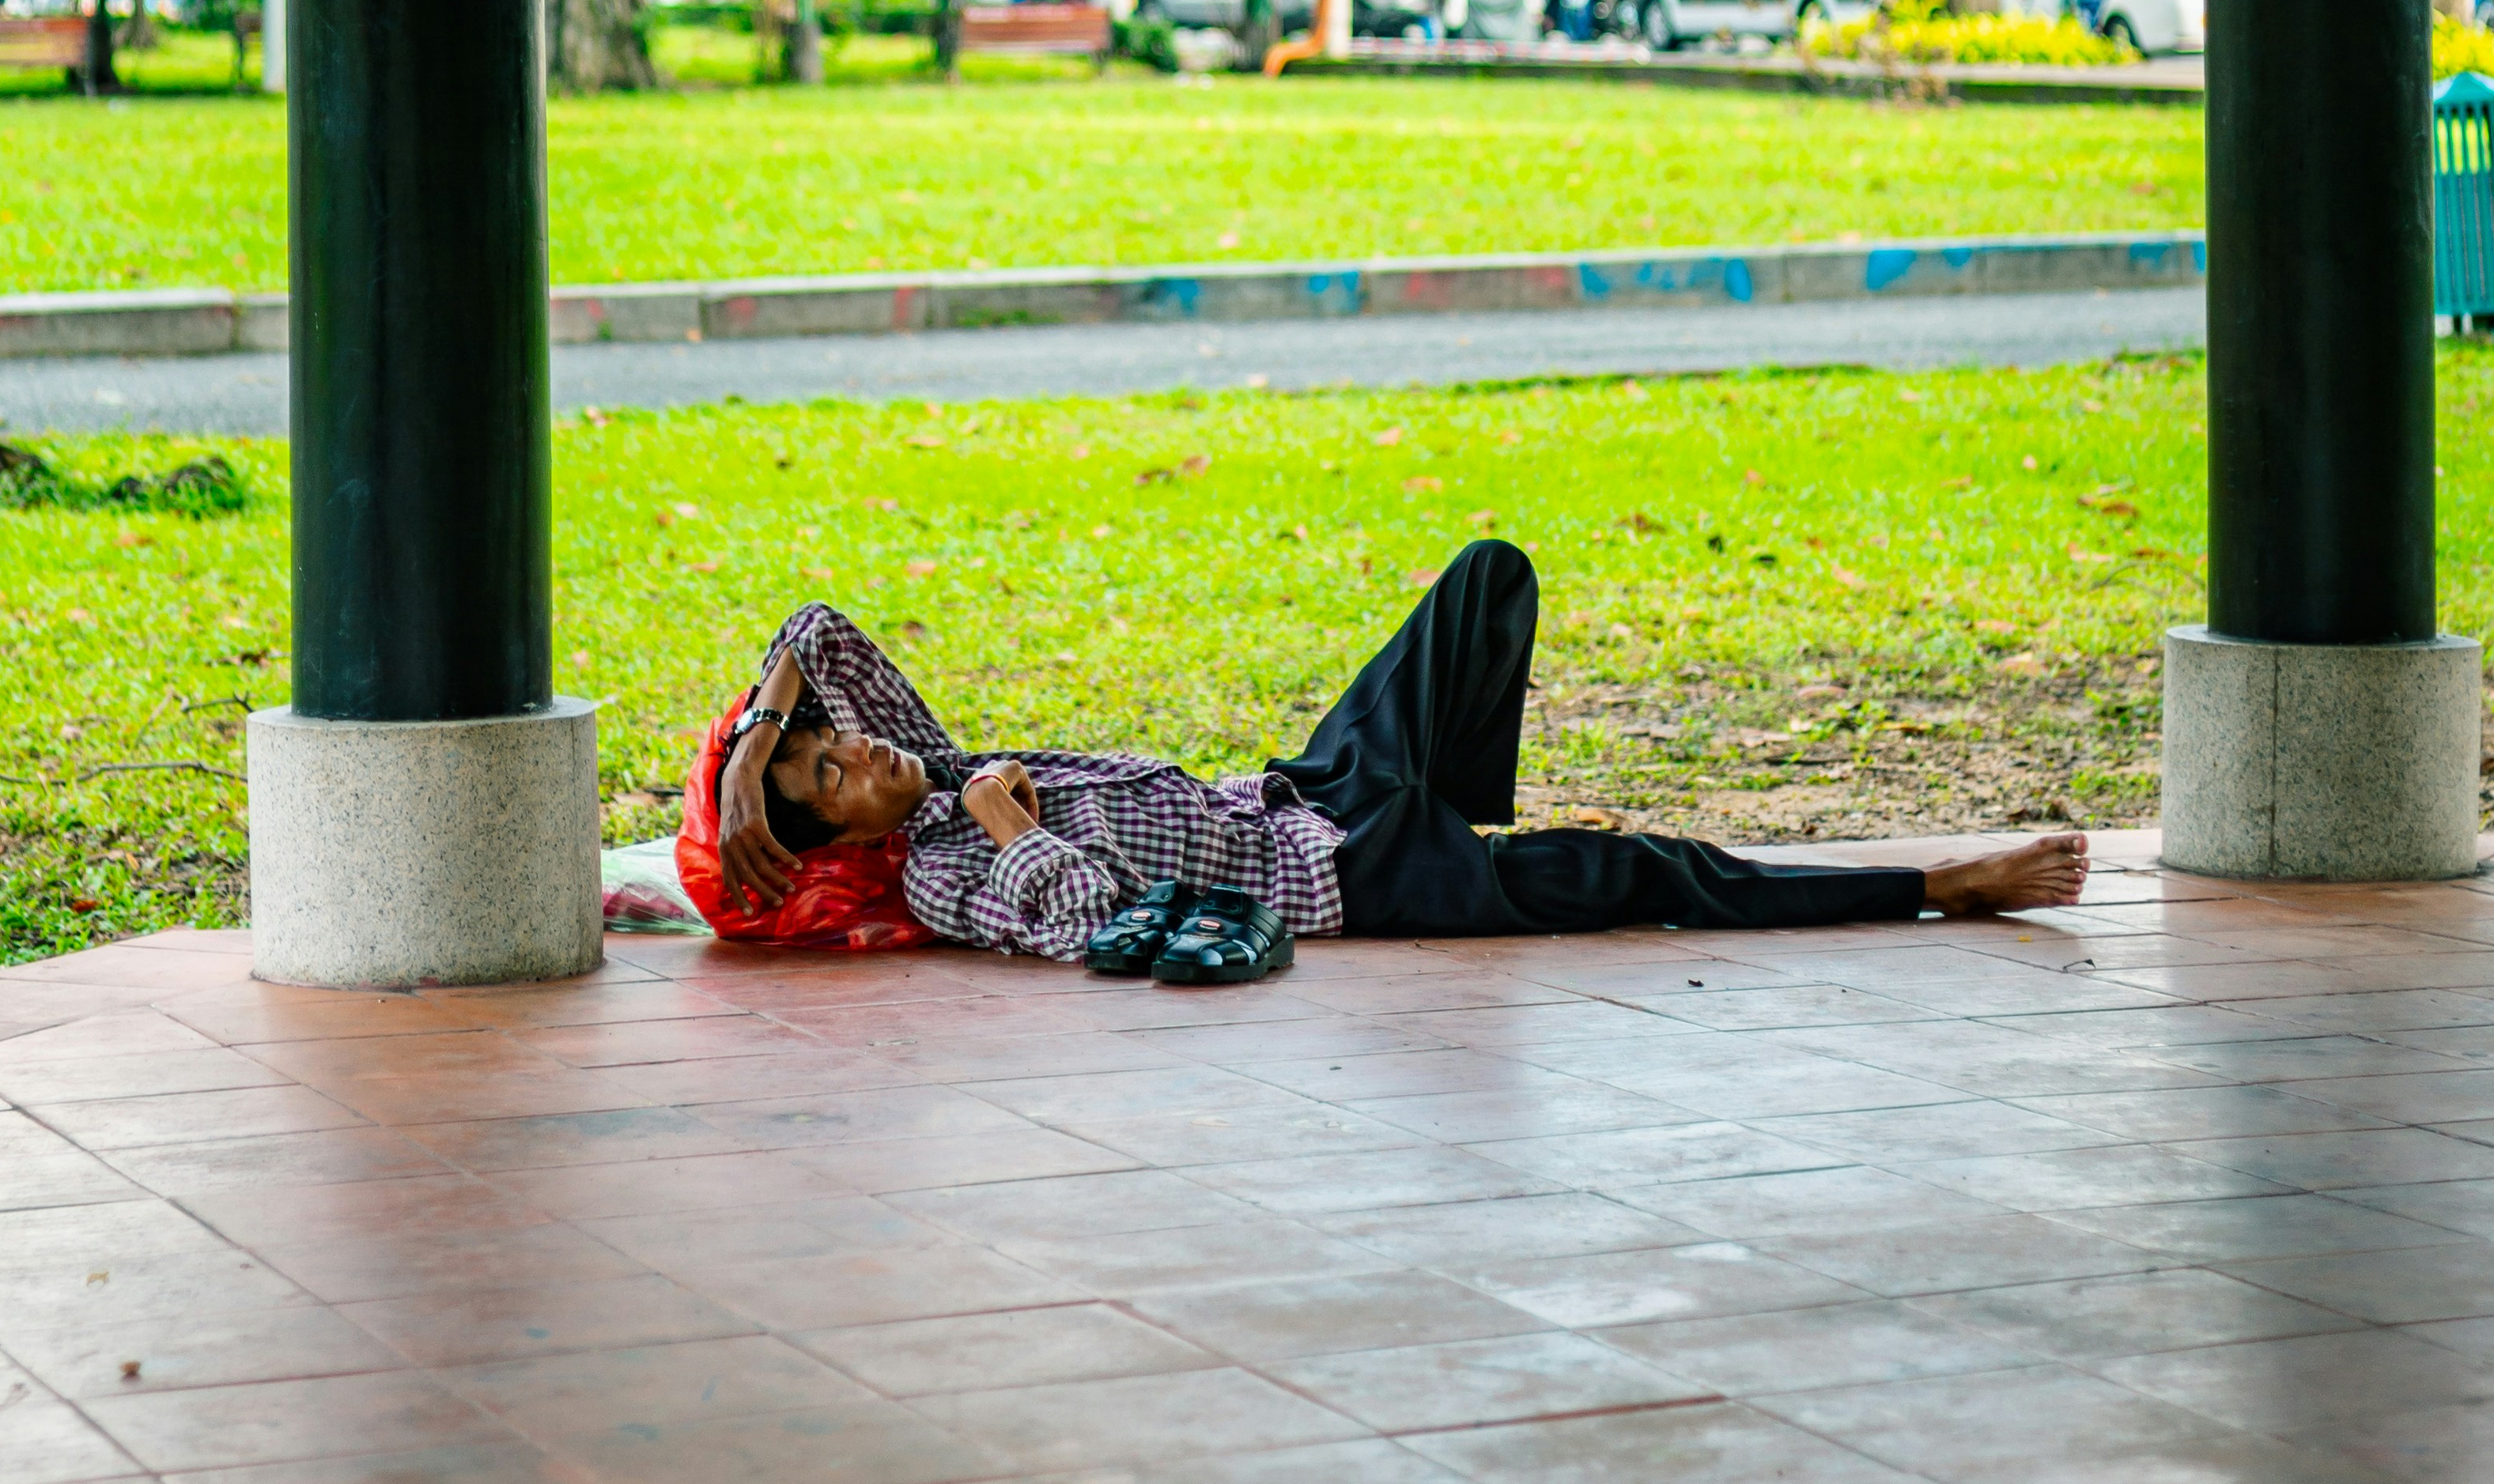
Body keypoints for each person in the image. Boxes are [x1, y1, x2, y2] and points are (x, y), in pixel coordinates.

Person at [707, 542, 2085, 963]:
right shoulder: (948, 863)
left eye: (837, 739)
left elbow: (823, 621)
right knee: (1656, 873)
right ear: (850, 843)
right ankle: (1936, 883)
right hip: (1355, 879)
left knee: (1487, 579)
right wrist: (1020, 834)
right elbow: (1092, 933)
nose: (863, 752)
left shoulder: (936, 766)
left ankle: (1476, 826)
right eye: (832, 776)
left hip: (1312, 789)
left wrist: (756, 734)